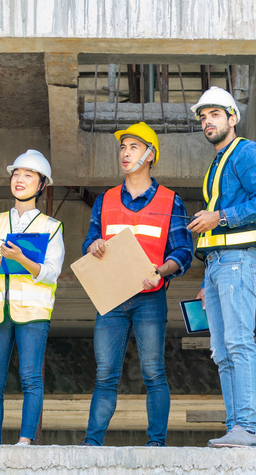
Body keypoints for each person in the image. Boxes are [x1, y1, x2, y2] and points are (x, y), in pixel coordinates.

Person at [82, 122, 193, 447]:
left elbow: (183, 251)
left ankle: (156, 444)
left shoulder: (170, 202)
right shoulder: (106, 200)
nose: (125, 153)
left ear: (149, 155)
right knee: (105, 375)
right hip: (112, 297)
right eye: (122, 147)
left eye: (133, 147)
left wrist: (162, 270)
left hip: (149, 297)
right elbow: (90, 239)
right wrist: (94, 245)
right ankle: (92, 444)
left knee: (154, 372)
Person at [186, 87, 256, 448]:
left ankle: (247, 427)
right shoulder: (219, 161)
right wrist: (207, 277)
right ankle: (235, 428)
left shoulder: (245, 152)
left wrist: (220, 216)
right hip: (220, 264)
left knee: (238, 343)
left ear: (233, 118)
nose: (207, 121)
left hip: (238, 261)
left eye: (214, 114)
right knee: (223, 350)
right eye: (203, 116)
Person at [0, 150, 63, 446]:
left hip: (33, 313)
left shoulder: (51, 227)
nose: (19, 179)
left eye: (28, 175)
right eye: (16, 174)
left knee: (31, 380)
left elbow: (50, 273)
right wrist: (2, 259)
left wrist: (21, 258)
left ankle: (25, 442)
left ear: (41, 185)